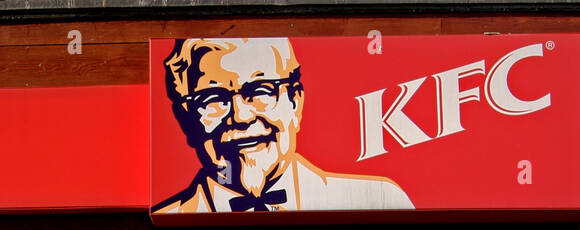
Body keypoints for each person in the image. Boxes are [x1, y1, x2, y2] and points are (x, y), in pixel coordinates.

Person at [155, 37, 414, 214]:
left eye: (260, 91)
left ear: (295, 103)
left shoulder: (379, 200)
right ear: (186, 119)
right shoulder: (171, 215)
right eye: (213, 99)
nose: (241, 116)